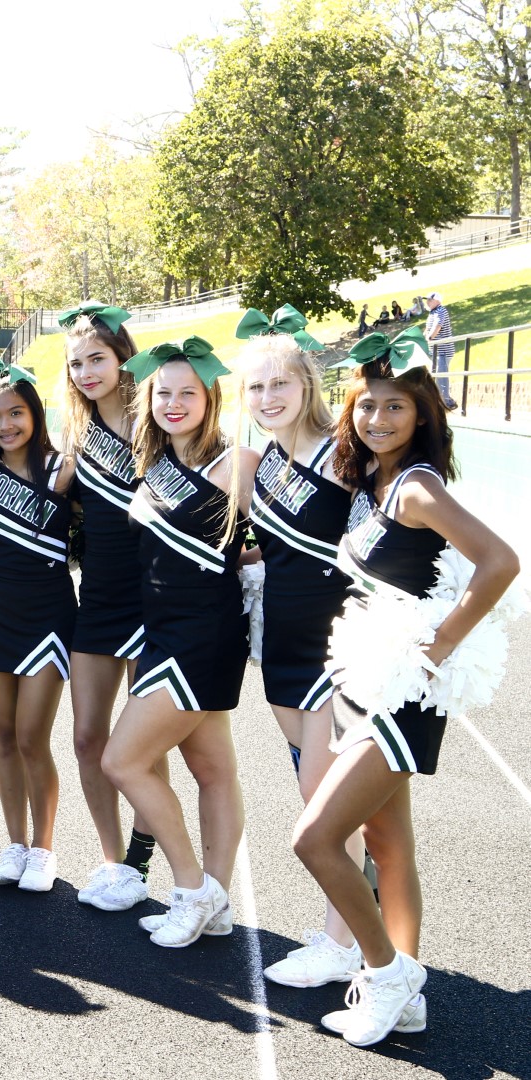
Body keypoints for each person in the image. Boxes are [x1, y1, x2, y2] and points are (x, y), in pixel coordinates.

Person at [293, 332, 517, 1047]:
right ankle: (406, 995)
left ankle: (388, 974)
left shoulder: (418, 485)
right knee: (388, 845)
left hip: (402, 691)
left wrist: (441, 642)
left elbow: (501, 561)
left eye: (396, 407)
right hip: (365, 679)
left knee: (315, 840)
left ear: (422, 416)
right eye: (368, 405)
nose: (378, 418)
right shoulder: (378, 485)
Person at [101, 336, 255, 948]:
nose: (173, 403)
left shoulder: (237, 463)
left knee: (122, 760)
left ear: (210, 397)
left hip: (202, 634)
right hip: (162, 630)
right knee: (211, 767)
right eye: (162, 393)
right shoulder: (153, 461)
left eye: (187, 392)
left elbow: (274, 539)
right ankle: (214, 904)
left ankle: (192, 888)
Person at [232, 307, 364, 987]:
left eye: (281, 384)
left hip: (334, 653)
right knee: (314, 798)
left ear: (308, 385)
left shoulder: (344, 455)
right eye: (257, 388)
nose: (269, 397)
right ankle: (356, 928)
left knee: (323, 808)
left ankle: (341, 942)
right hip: (278, 649)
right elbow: (273, 547)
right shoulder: (263, 462)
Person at [56, 303, 158, 912]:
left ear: (123, 357)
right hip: (97, 597)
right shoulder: (75, 436)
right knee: (87, 738)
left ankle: (147, 854)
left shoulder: (158, 422)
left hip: (157, 601)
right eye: (76, 364)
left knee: (140, 747)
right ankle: (113, 860)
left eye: (97, 358)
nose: (87, 372)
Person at [0, 357, 76, 893]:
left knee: (35, 738)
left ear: (34, 413)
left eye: (15, 413)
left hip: (49, 614)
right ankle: (14, 843)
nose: (6, 425)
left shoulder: (63, 467)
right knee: (5, 736)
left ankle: (45, 847)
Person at [422, 293, 457, 410]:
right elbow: (428, 328)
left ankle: (446, 402)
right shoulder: (432, 312)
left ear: (436, 301)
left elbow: (437, 326)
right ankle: (441, 400)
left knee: (441, 375)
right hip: (436, 350)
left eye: (429, 300)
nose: (427, 302)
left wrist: (430, 337)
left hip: (443, 350)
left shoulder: (440, 311)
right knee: (437, 375)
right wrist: (425, 335)